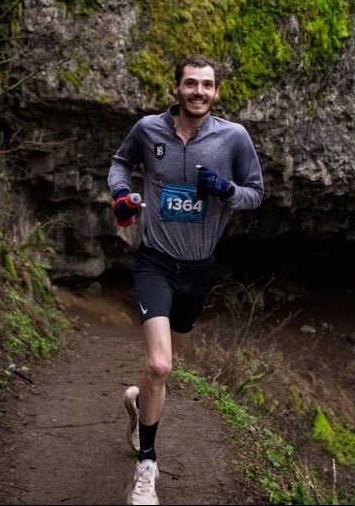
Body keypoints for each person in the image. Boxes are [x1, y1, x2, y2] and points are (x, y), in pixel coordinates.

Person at [107, 54, 264, 505]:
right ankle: (147, 467)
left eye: (207, 85)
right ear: (175, 88)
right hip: (154, 262)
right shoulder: (148, 129)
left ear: (216, 93)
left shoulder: (234, 138)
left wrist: (227, 191)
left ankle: (139, 405)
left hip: (199, 270)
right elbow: (120, 164)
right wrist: (121, 196)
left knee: (167, 364)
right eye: (191, 83)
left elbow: (256, 192)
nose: (199, 91)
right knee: (160, 366)